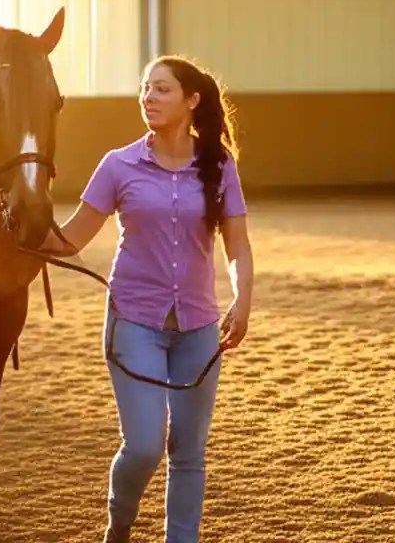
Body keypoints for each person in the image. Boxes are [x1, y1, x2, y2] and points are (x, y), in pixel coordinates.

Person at [39, 56, 255, 543]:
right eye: (145, 89)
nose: (149, 98)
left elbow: (236, 245)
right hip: (134, 322)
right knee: (142, 446)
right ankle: (119, 524)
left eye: (161, 90)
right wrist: (20, 227)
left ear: (191, 100)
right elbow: (70, 239)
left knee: (189, 450)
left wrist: (242, 299)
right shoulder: (118, 165)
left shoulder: (219, 166)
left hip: (199, 327)